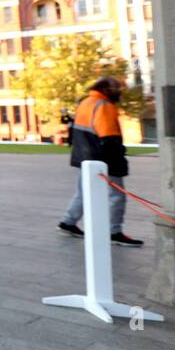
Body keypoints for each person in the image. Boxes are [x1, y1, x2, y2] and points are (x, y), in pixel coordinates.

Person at [58, 77, 142, 247]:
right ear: (108, 89)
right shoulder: (104, 106)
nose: (120, 92)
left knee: (83, 192)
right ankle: (114, 231)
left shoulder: (86, 102)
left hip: (85, 158)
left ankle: (68, 222)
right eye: (118, 89)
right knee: (116, 196)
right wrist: (119, 160)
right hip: (104, 159)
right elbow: (110, 138)